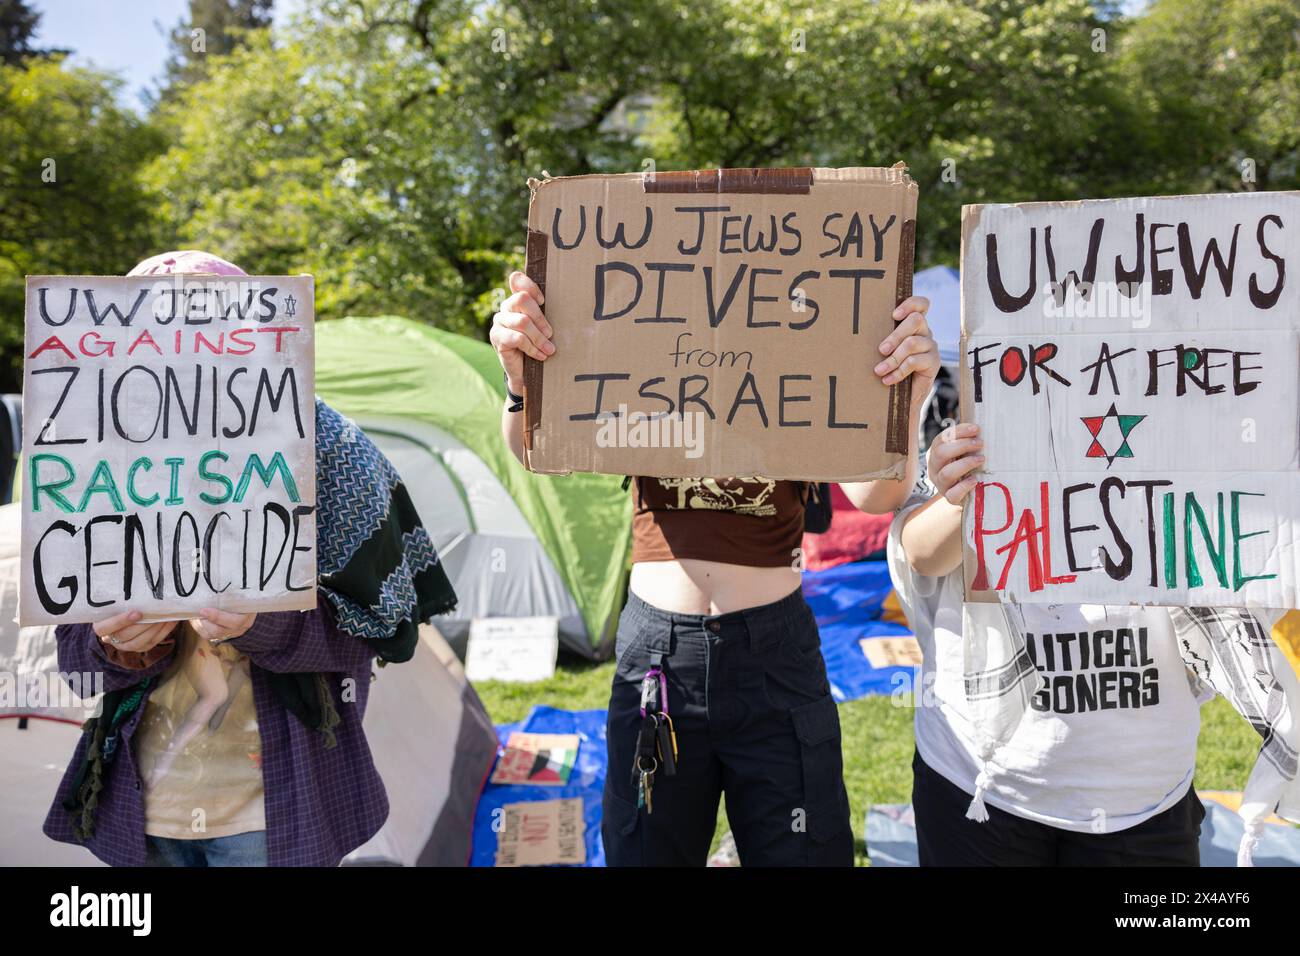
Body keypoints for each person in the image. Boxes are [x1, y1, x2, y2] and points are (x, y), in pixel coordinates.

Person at [492, 270, 939, 866]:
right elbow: (536, 450)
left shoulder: (805, 351)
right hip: (658, 657)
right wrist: (521, 379)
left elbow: (876, 496)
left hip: (775, 654)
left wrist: (906, 392)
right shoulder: (640, 343)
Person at [43, 251, 457, 867]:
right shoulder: (95, 450)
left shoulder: (329, 450)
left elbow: (375, 637)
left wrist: (267, 624)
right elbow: (77, 663)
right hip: (145, 808)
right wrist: (120, 647)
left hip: (274, 813)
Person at [888, 419, 1294, 866]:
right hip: (980, 783)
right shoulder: (989, 395)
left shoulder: (1193, 404)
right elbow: (922, 553)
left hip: (1144, 794)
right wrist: (958, 496)